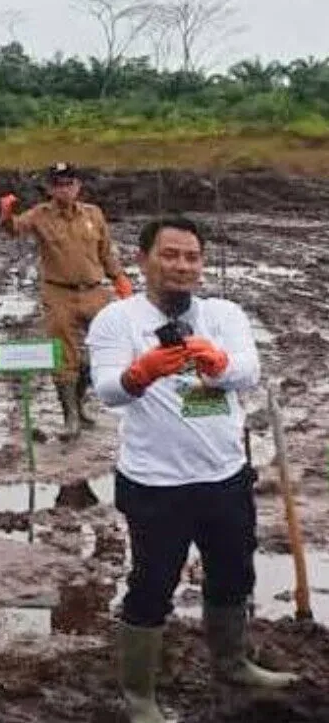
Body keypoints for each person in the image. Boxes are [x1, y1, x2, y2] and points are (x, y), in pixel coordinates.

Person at [88, 216, 295, 721]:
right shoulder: (117, 320)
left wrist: (218, 363)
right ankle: (139, 695)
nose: (182, 266)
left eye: (191, 257)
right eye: (170, 254)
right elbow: (107, 387)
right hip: (156, 484)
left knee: (233, 572)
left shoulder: (222, 314)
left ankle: (232, 660)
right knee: (153, 582)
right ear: (143, 260)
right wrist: (138, 374)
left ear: (201, 264)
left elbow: (249, 371)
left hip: (224, 476)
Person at [0, 162, 134, 439]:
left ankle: (80, 403)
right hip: (59, 293)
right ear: (50, 188)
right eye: (59, 184)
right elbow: (14, 229)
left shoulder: (93, 214)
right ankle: (70, 418)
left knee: (103, 350)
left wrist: (119, 280)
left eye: (69, 183)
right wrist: (6, 213)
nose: (65, 189)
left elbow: (106, 251)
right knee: (63, 356)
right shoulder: (40, 215)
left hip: (95, 291)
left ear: (78, 186)